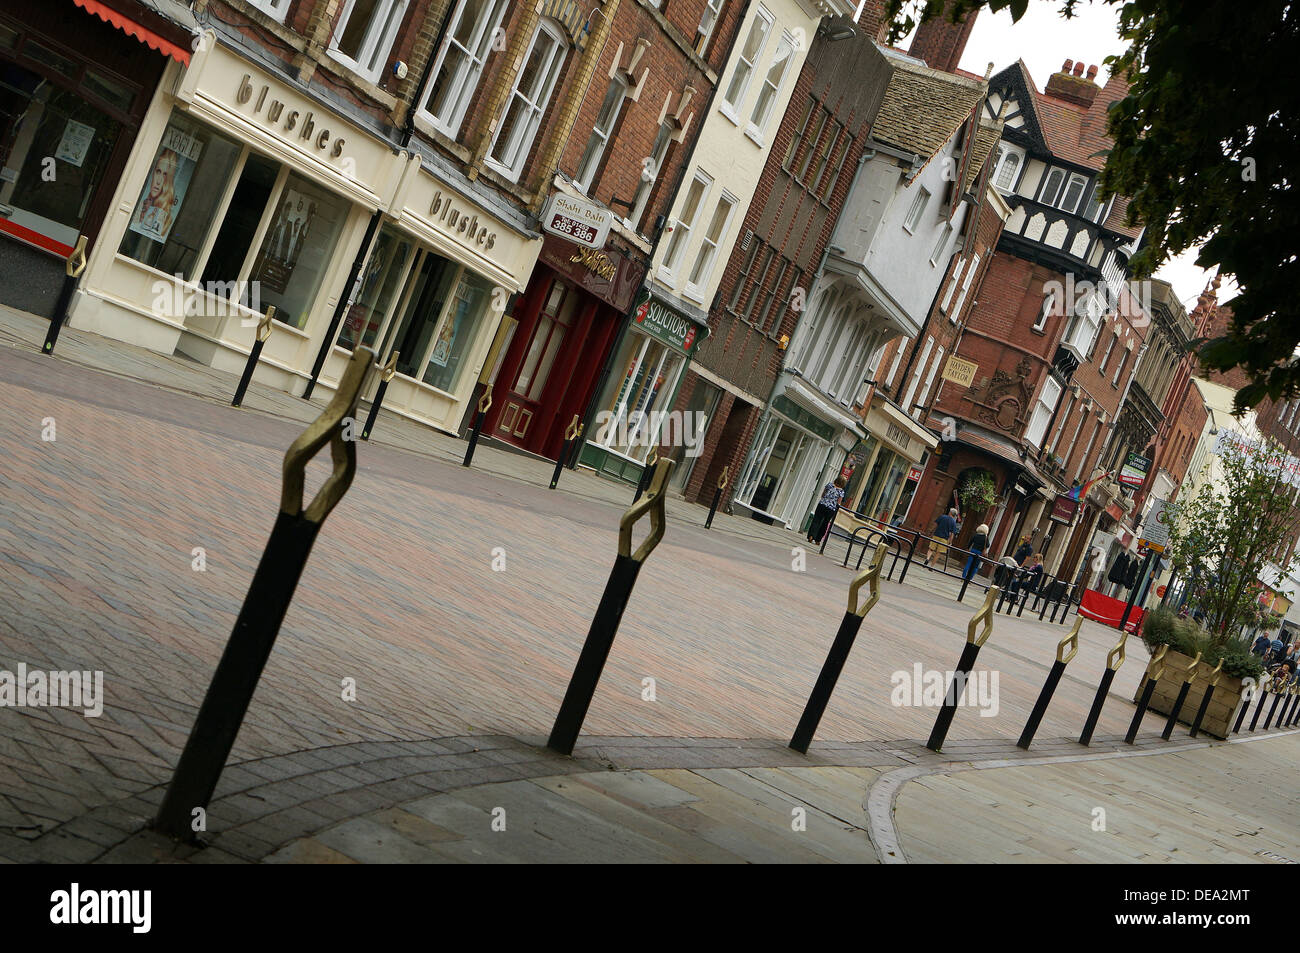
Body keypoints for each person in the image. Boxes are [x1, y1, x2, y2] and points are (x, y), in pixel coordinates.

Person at [807, 476, 846, 544]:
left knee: (816, 520)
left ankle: (811, 535)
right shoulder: (841, 492)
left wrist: (825, 499)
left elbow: (823, 494)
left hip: (822, 504)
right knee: (825, 523)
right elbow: (838, 502)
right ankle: (818, 540)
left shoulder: (829, 485)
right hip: (831, 509)